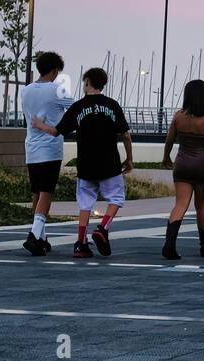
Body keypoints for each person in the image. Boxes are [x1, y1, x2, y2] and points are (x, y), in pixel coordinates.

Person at [32, 67, 132, 258]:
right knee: (116, 198)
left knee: (85, 203)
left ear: (87, 83)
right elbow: (126, 135)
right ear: (102, 85)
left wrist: (39, 124)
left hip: (86, 163)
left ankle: (80, 243)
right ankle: (102, 227)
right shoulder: (112, 105)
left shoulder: (78, 107)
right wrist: (129, 158)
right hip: (110, 163)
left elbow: (56, 131)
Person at [160, 79, 204, 260]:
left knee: (180, 205)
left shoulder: (178, 116)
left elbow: (169, 140)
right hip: (202, 167)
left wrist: (166, 157)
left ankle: (169, 245)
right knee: (202, 207)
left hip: (182, 164)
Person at [21, 51, 72, 257]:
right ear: (54, 71)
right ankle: (33, 235)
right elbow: (74, 110)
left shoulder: (25, 91)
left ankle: (41, 237)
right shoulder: (58, 89)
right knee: (46, 192)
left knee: (36, 192)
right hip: (50, 147)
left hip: (31, 148)